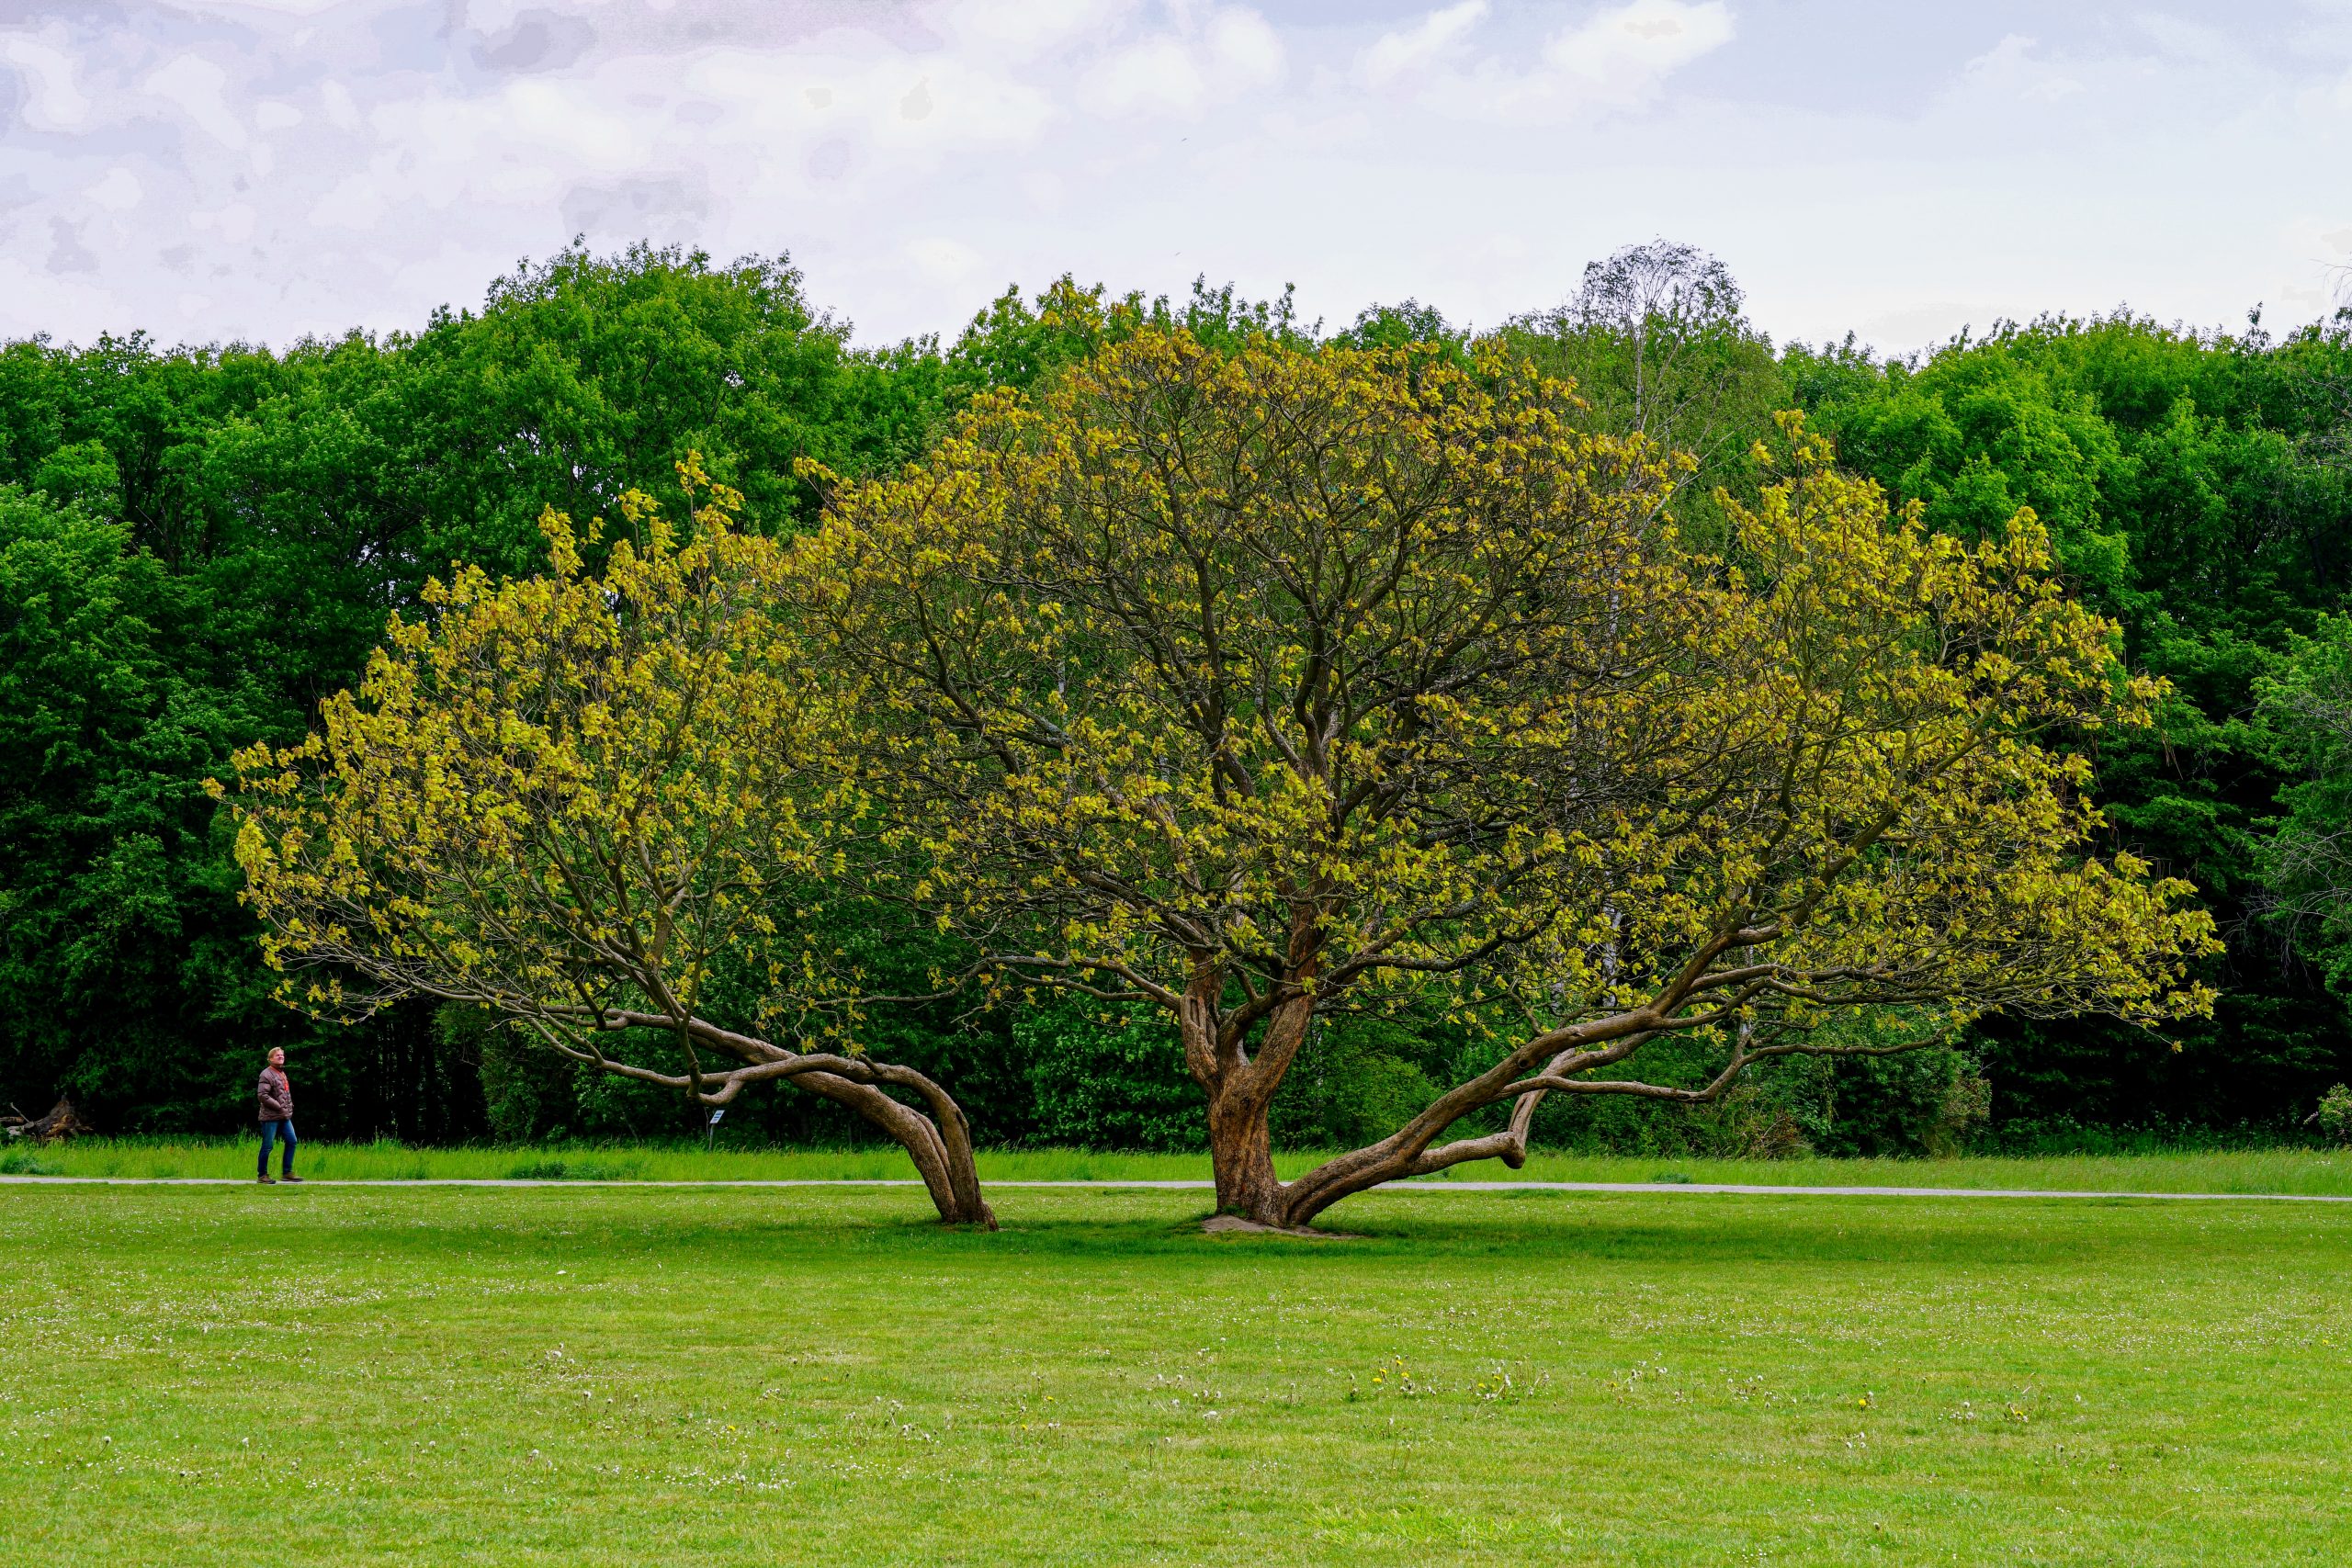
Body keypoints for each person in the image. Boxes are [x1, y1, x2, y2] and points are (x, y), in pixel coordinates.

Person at [256, 1047, 302, 1184]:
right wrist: (279, 1106)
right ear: (270, 1059)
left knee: (292, 1141)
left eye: (282, 1055)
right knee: (267, 1146)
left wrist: (289, 1107)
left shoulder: (281, 1073)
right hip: (270, 1117)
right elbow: (262, 1095)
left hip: (284, 1116)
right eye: (277, 1055)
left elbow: (285, 1094)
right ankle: (262, 1175)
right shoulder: (266, 1074)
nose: (281, 1057)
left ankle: (287, 1173)